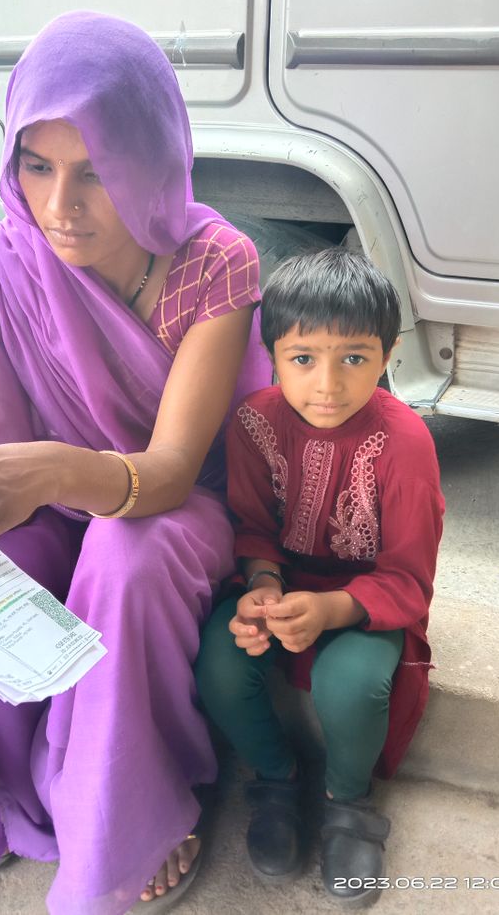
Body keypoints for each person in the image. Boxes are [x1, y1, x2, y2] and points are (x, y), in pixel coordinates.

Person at [0, 13, 271, 915]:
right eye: (36, 166)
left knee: (125, 552)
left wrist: (48, 470)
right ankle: (24, 787)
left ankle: (140, 811)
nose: (60, 205)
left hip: (173, 509)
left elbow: (170, 467)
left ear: (152, 159)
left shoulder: (214, 264)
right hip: (46, 503)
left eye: (95, 172)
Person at [195, 249, 444, 907]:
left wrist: (333, 609)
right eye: (303, 358)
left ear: (388, 355)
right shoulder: (253, 421)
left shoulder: (406, 442)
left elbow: (409, 576)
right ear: (271, 355)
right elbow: (252, 525)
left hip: (371, 600)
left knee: (351, 682)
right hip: (282, 585)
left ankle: (348, 801)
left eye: (354, 357)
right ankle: (275, 779)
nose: (328, 384)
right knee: (221, 659)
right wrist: (264, 587)